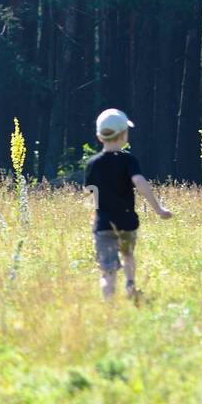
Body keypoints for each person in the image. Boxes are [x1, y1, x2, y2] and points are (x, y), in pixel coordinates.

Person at [84, 108, 172, 301]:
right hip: (127, 222)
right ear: (124, 135)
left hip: (104, 225)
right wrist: (158, 209)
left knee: (107, 270)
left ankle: (109, 304)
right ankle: (130, 285)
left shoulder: (92, 164)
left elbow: (90, 192)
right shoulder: (129, 161)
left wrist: (96, 214)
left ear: (99, 136)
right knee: (128, 255)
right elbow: (140, 183)